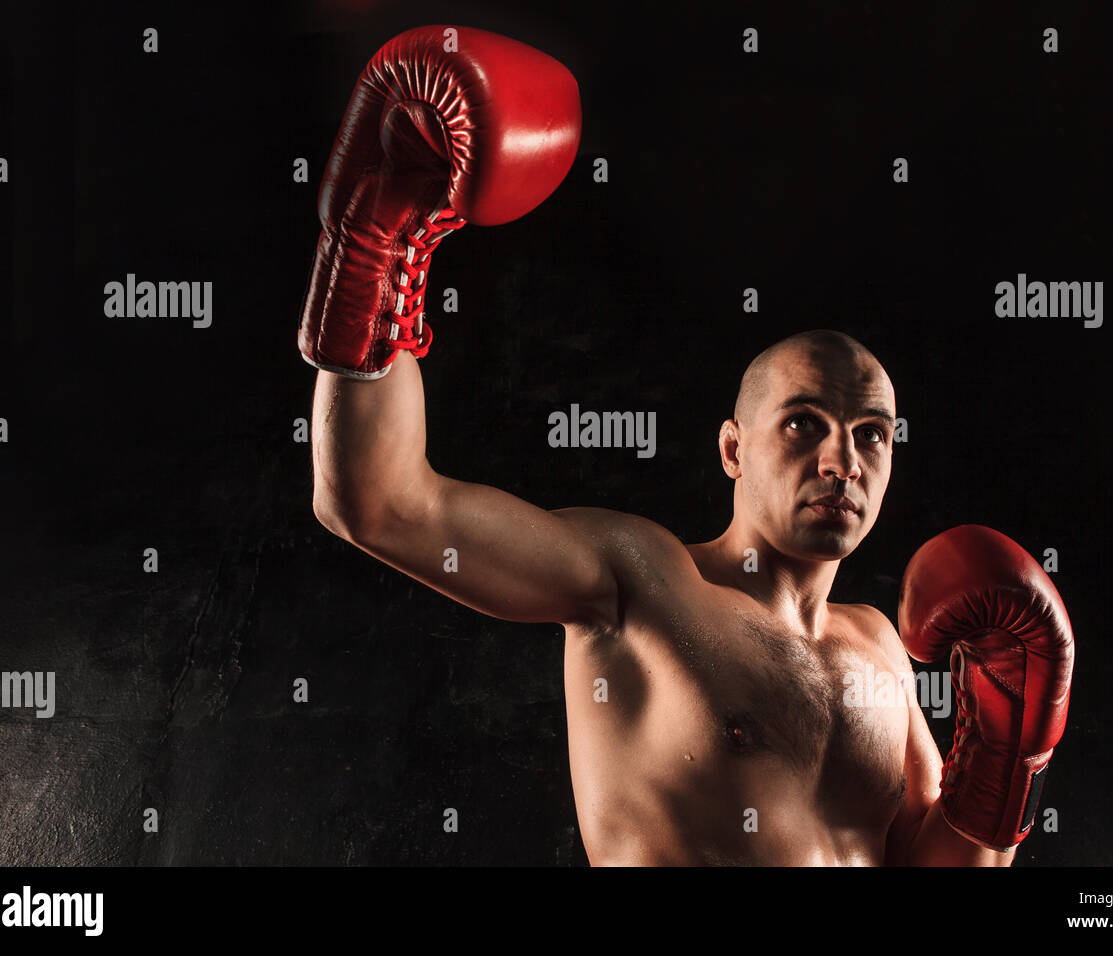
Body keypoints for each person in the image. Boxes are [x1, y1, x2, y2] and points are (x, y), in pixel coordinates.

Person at [301, 25, 1074, 866]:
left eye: (870, 435)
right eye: (803, 423)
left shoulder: (880, 648)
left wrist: (1007, 759)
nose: (839, 460)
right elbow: (380, 503)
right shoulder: (640, 580)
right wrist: (375, 246)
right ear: (732, 449)